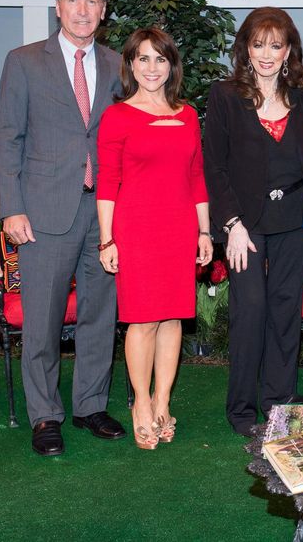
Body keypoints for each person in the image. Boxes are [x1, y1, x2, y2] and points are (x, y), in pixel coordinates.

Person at [0, 0, 125, 456]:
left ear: (104, 10)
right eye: (73, 0)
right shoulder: (24, 61)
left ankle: (90, 405)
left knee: (100, 316)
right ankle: (45, 415)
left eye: (92, 1)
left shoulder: (120, 65)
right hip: (43, 214)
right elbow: (8, 139)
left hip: (105, 213)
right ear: (58, 6)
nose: (82, 10)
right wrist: (12, 209)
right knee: (43, 322)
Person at [203, 7, 303, 436]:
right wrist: (230, 224)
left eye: (276, 45)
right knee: (249, 310)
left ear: (288, 51)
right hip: (244, 225)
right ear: (246, 49)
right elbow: (214, 166)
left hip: (295, 219)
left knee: (285, 311)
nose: (267, 54)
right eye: (258, 44)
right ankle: (242, 410)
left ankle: (278, 404)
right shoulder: (225, 95)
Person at [96, 28, 211, 449]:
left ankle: (163, 400)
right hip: (136, 229)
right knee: (142, 320)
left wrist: (204, 231)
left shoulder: (187, 115)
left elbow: (196, 177)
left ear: (171, 66)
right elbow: (108, 181)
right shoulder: (117, 116)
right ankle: (140, 403)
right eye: (142, 58)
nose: (151, 67)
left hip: (179, 228)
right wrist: (107, 239)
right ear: (130, 64)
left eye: (160, 59)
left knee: (173, 318)